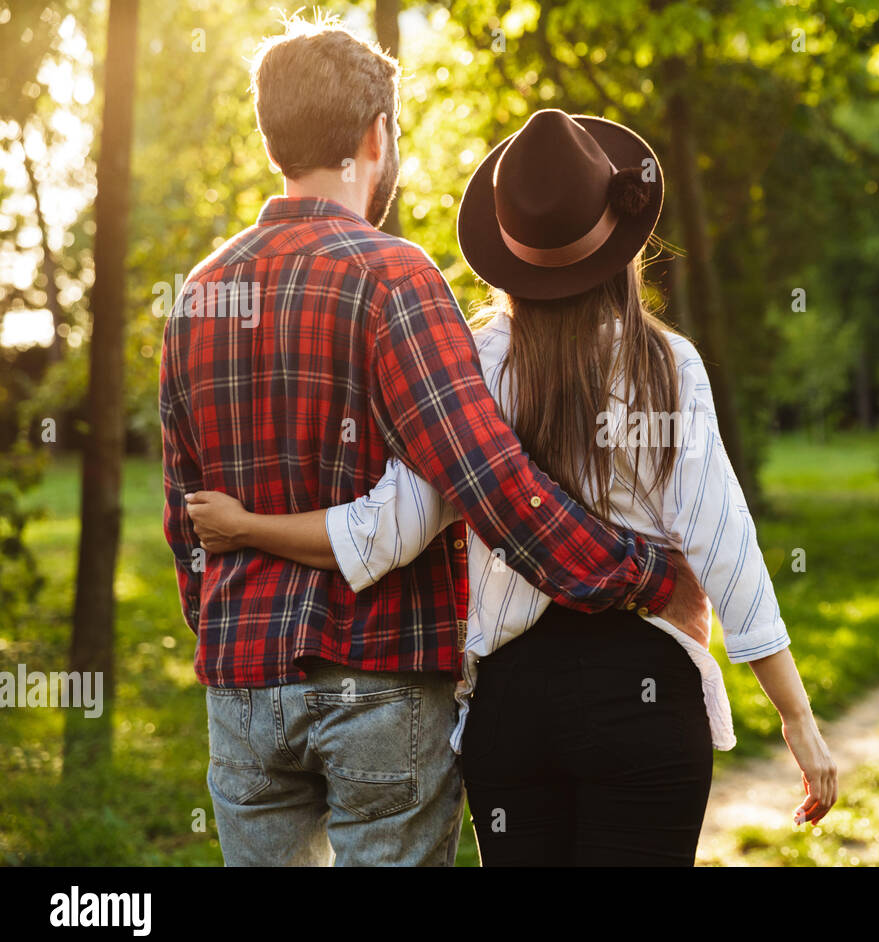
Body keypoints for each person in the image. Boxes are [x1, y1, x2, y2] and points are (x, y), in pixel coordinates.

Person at [186, 108, 837, 866]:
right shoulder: (669, 365)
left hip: (512, 710)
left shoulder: (469, 365)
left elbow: (389, 531)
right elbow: (726, 549)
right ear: (621, 241)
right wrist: (797, 717)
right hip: (645, 698)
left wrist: (246, 527)